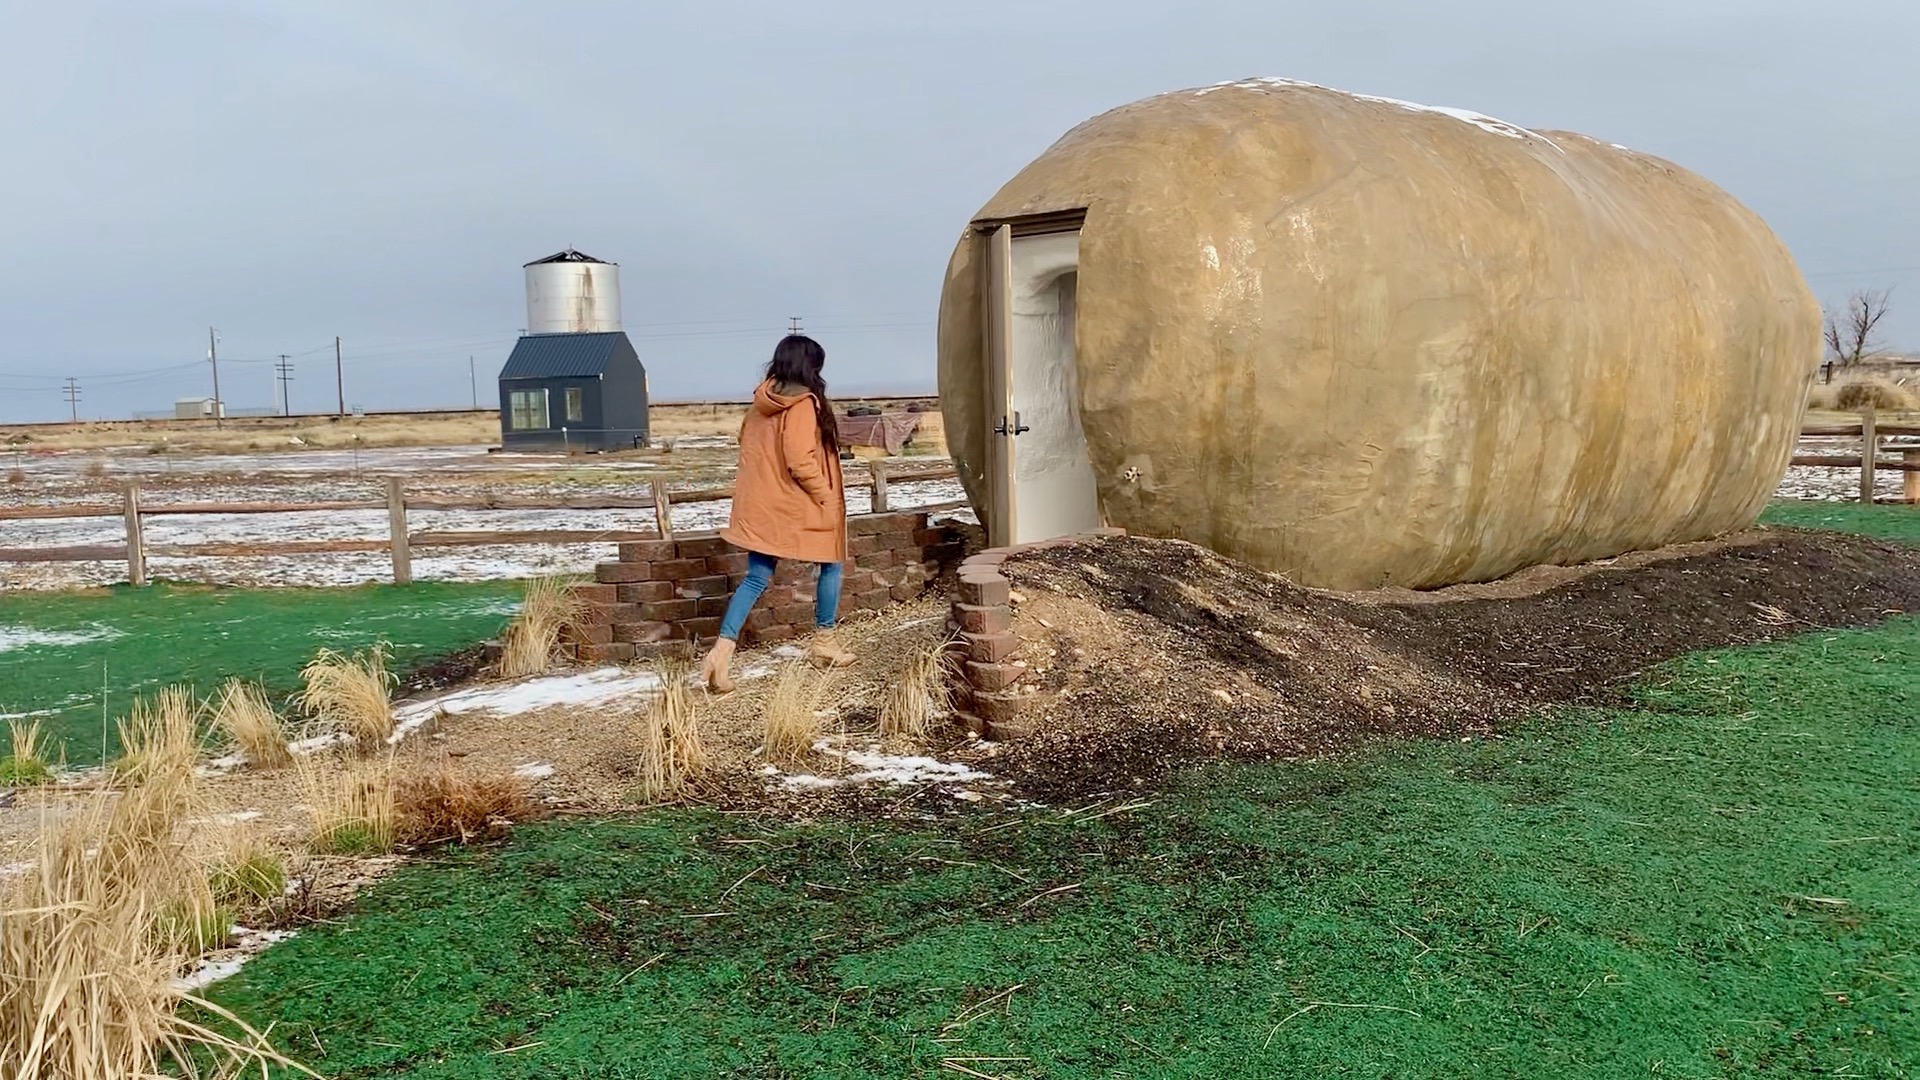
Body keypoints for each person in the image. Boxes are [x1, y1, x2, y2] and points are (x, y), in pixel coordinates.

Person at [701, 334, 857, 693]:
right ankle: (823, 642)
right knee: (831, 561)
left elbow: (751, 450)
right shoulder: (802, 404)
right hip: (796, 504)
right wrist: (828, 497)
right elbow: (799, 459)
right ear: (809, 366)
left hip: (763, 505)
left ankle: (720, 654)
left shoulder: (759, 405)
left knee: (756, 577)